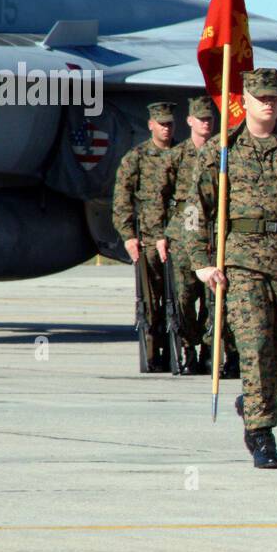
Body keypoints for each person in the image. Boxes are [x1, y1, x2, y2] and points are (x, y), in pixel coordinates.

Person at [185, 69, 277, 468]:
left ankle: (256, 397)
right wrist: (201, 261)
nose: (269, 103)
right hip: (240, 261)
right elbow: (192, 210)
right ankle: (261, 431)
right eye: (261, 97)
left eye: (274, 97)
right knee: (255, 347)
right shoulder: (222, 150)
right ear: (246, 101)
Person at [159, 95, 231, 375]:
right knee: (186, 298)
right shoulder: (176, 156)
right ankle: (188, 346)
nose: (205, 123)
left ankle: (210, 350)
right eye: (200, 119)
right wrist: (160, 234)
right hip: (182, 236)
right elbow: (159, 197)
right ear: (189, 121)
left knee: (214, 299)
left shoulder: (220, 153)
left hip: (215, 236)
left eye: (209, 119)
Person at [112, 101, 177, 372]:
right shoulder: (136, 158)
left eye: (170, 124)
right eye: (161, 124)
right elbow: (122, 200)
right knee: (150, 303)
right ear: (151, 125)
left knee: (176, 298)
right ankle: (153, 352)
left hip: (175, 240)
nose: (166, 128)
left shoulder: (181, 154)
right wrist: (128, 235)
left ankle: (179, 349)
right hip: (147, 241)